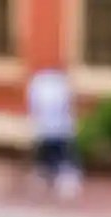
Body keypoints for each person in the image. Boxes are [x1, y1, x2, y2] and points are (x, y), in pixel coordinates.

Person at [26, 68, 82, 199]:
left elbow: (34, 107)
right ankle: (60, 183)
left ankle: (51, 181)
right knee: (60, 157)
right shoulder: (58, 85)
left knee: (52, 156)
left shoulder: (41, 84)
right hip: (58, 129)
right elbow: (69, 106)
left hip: (49, 129)